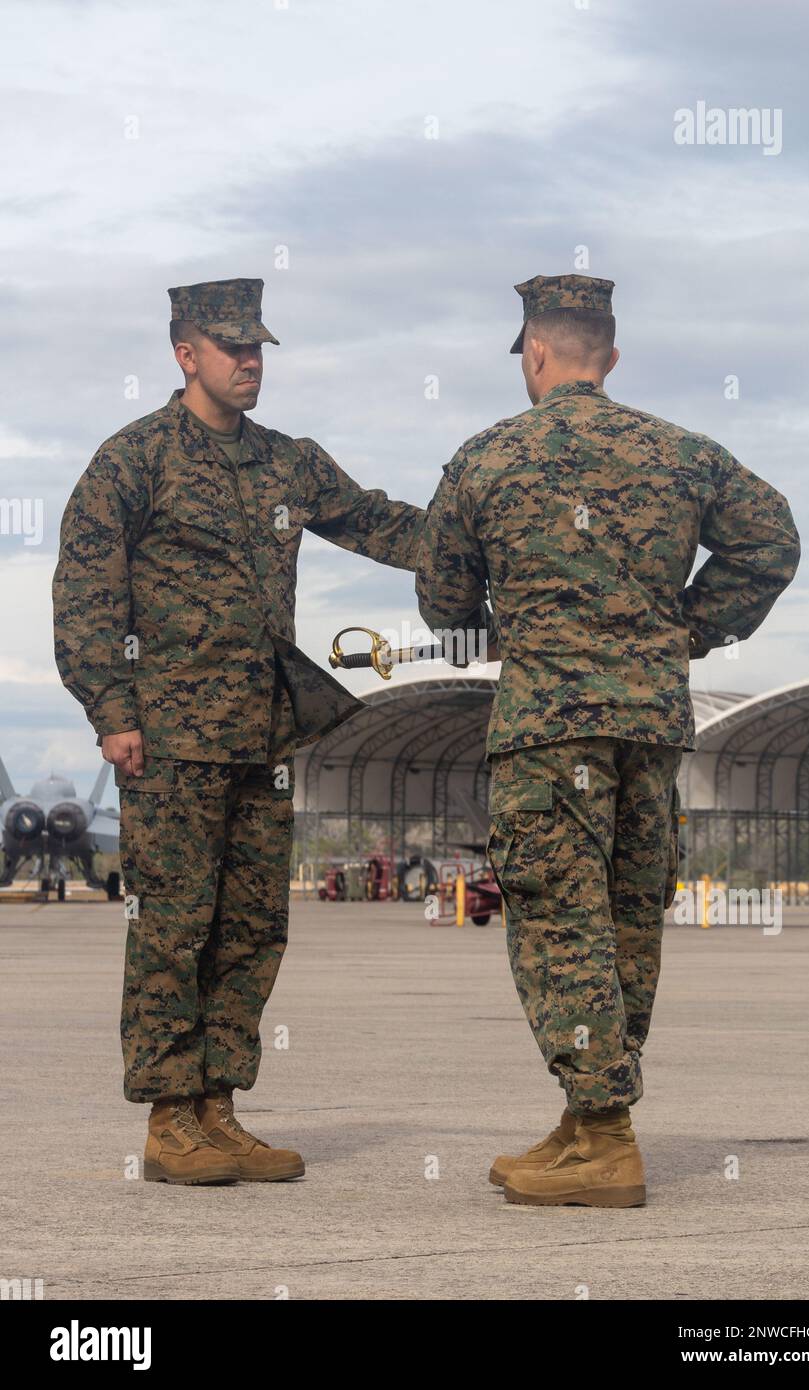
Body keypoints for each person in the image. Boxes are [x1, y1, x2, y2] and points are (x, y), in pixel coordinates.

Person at [415, 272, 800, 1206]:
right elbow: (772, 541)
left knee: (559, 920)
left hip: (550, 727)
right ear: (611, 355)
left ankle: (607, 1139)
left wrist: (503, 629)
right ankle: (590, 1121)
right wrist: (686, 629)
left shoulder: (487, 458)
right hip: (650, 723)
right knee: (626, 919)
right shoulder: (682, 452)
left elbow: (442, 597)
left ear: (535, 353)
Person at [53, 278, 423, 1184]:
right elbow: (86, 590)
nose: (250, 362)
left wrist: (485, 535)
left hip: (264, 736)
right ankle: (169, 1116)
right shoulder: (132, 460)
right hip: (170, 736)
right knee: (175, 925)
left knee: (253, 925)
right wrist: (113, 713)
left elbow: (375, 520)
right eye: (232, 349)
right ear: (187, 355)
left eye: (258, 348)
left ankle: (220, 1107)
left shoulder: (287, 463)